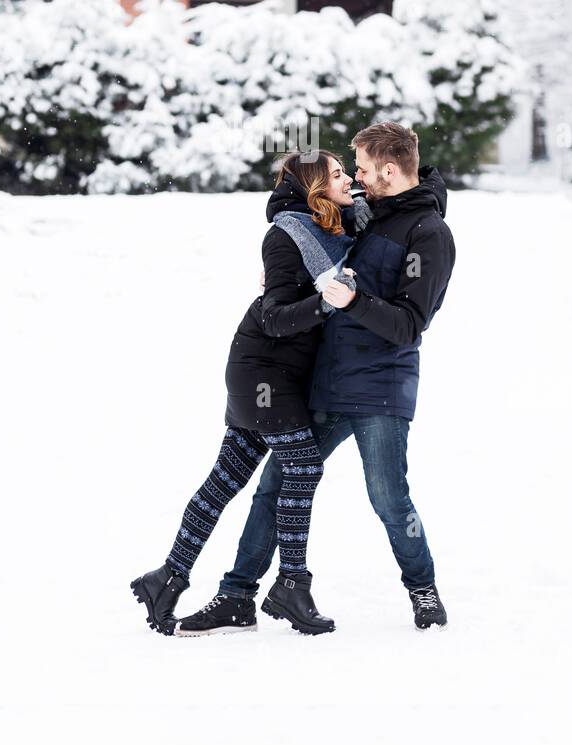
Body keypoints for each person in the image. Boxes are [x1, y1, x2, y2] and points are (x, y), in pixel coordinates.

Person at [177, 120, 456, 633]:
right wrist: (286, 281)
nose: (356, 179)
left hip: (381, 387)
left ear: (390, 170)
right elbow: (311, 237)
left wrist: (352, 301)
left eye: (366, 170)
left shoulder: (429, 233)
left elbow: (409, 324)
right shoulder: (367, 216)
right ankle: (237, 594)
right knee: (276, 484)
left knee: (389, 497)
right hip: (326, 380)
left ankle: (423, 589)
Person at [131, 149, 363, 637]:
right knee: (302, 467)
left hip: (277, 374)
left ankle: (167, 577)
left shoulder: (337, 225)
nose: (348, 180)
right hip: (263, 374)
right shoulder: (285, 237)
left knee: (225, 479)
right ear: (315, 187)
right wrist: (324, 302)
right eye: (337, 174)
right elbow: (276, 316)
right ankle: (292, 585)